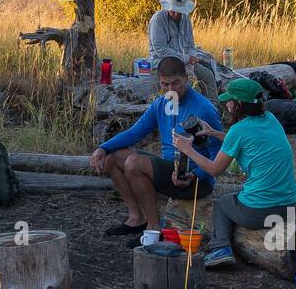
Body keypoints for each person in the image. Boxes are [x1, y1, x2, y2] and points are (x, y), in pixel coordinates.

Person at [88, 55, 222, 244]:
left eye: (176, 83)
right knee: (113, 157)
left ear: (186, 78)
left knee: (134, 163)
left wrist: (195, 174)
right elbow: (135, 132)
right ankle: (137, 219)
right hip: (170, 169)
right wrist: (103, 148)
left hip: (195, 179)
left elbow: (218, 156)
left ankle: (154, 230)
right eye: (165, 84)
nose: (170, 90)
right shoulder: (160, 104)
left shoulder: (204, 109)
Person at [171, 77, 296, 270]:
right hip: (289, 207)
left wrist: (188, 150)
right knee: (238, 196)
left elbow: (215, 170)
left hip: (259, 211)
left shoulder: (239, 130)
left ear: (238, 105)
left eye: (229, 100)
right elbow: (247, 142)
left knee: (223, 203)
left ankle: (220, 248)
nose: (227, 104)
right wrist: (214, 132)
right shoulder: (270, 119)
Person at [148, 0, 219, 102]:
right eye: (173, 11)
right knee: (192, 83)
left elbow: (191, 44)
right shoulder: (158, 19)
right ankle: (194, 116)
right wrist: (186, 59)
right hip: (164, 63)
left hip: (186, 62)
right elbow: (161, 50)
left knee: (208, 76)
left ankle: (214, 110)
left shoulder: (185, 19)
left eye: (179, 11)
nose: (176, 14)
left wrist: (190, 59)